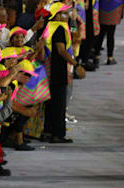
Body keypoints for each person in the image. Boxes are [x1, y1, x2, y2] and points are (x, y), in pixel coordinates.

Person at [43, 2, 81, 144]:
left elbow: (73, 34)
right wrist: (76, 64)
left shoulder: (50, 27)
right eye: (64, 13)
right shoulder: (59, 29)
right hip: (57, 70)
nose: (67, 15)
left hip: (49, 69)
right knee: (59, 103)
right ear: (57, 15)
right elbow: (61, 50)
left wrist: (72, 21)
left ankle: (47, 131)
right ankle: (57, 134)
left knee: (50, 103)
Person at [96, 0, 123, 65]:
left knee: (100, 33)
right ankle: (110, 57)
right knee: (110, 34)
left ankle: (96, 56)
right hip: (115, 6)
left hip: (102, 6)